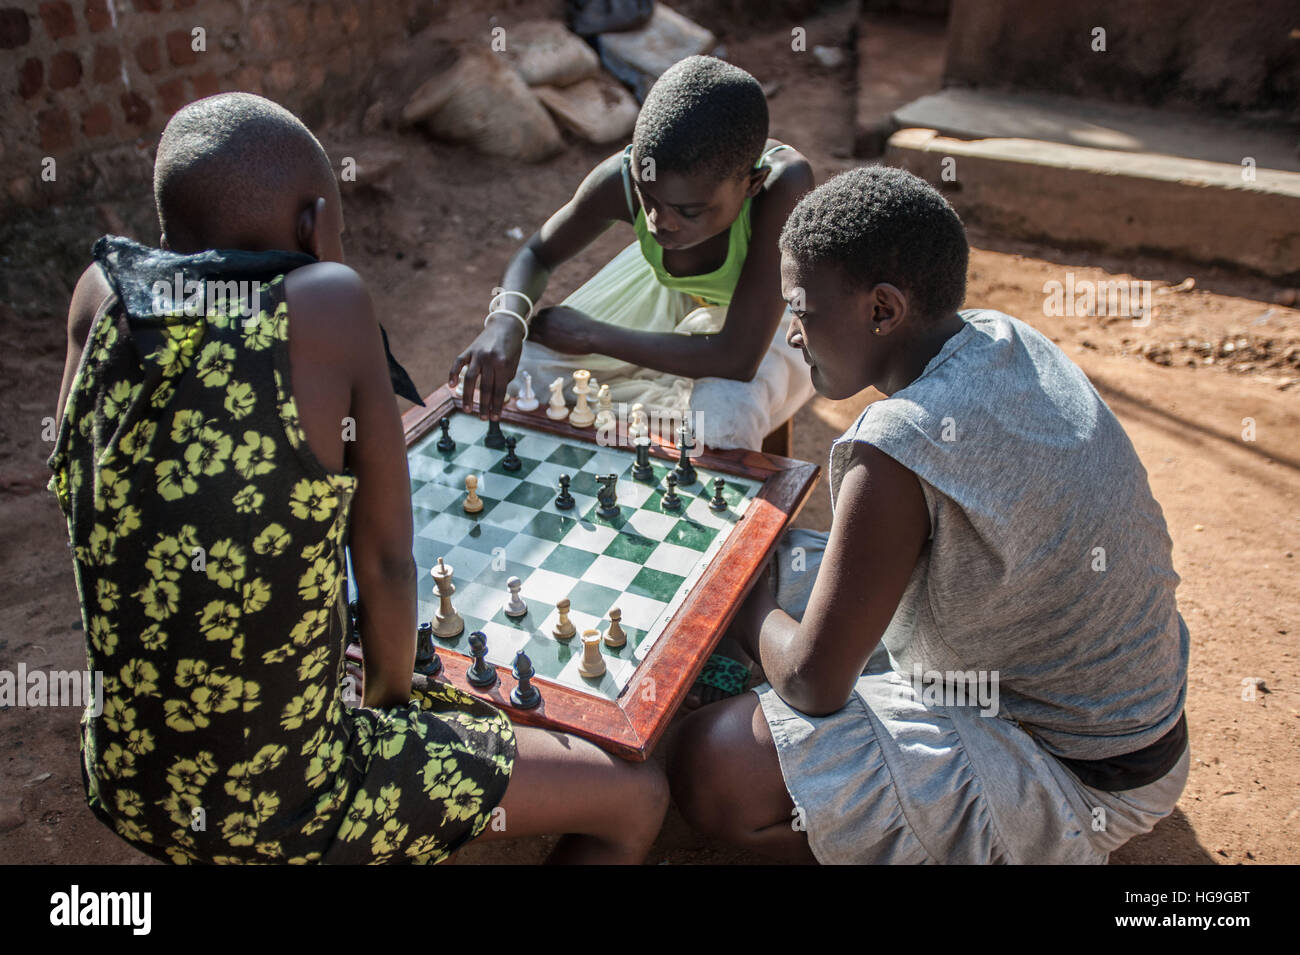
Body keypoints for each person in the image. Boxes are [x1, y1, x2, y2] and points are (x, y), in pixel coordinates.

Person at [48, 92, 666, 865]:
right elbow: (383, 564)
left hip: (127, 776)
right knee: (639, 798)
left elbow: (95, 502)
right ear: (312, 224)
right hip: (285, 809)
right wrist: (392, 722)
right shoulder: (326, 302)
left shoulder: (97, 294)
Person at [667, 166, 1191, 864]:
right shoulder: (1001, 335)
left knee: (715, 761)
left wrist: (741, 601)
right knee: (776, 567)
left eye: (803, 311)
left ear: (883, 310)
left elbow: (812, 684)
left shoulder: (897, 445)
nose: (792, 335)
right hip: (1130, 720)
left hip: (1074, 775)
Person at [451, 55, 816, 452]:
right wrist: (505, 320)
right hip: (665, 289)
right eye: (648, 196)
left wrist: (592, 336)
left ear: (752, 183)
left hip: (770, 315)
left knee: (721, 424)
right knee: (517, 373)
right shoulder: (621, 178)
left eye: (689, 211)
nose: (661, 222)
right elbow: (538, 254)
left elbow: (737, 357)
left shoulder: (783, 185)